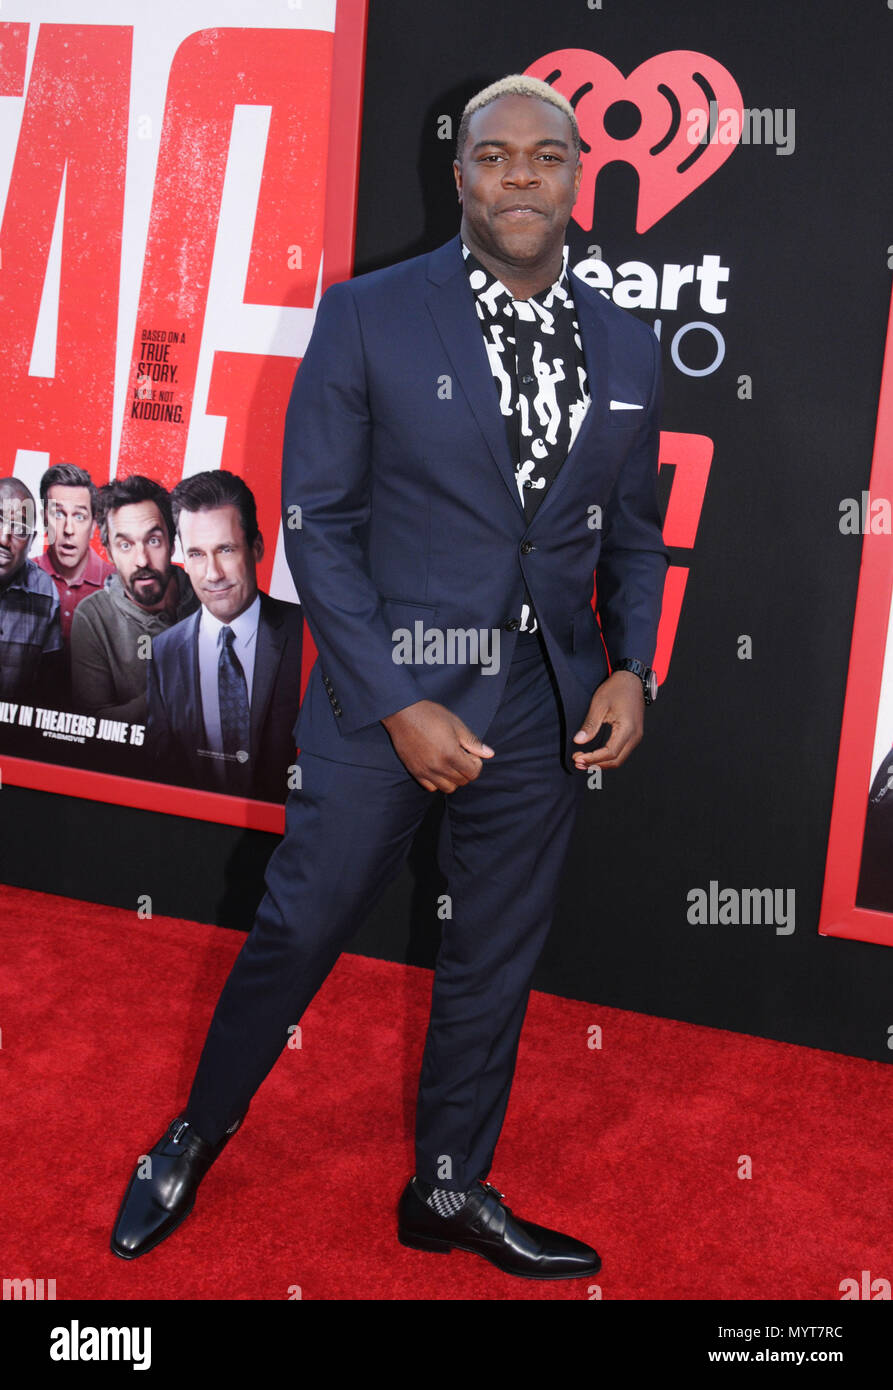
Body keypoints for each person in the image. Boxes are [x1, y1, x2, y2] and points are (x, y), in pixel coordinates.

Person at [111, 75, 668, 1280]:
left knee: (496, 951)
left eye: (546, 155)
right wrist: (397, 699)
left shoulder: (626, 340)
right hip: (388, 684)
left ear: (580, 176)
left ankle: (450, 1186)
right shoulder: (369, 314)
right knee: (300, 924)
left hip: (542, 695)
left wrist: (636, 667)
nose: (520, 174)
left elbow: (630, 529)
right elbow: (317, 521)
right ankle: (195, 1130)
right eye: (493, 155)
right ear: (457, 173)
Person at [145, 470, 303, 801]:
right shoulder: (162, 652)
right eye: (197, 554)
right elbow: (160, 773)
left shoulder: (305, 633)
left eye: (226, 550)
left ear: (256, 548)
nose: (212, 574)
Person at [70, 475, 197, 724]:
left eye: (153, 541)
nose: (142, 560)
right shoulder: (92, 617)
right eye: (125, 545)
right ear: (110, 554)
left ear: (172, 544)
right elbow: (93, 725)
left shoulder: (208, 596)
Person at [35, 463, 114, 646]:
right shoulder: (21, 578)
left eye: (79, 516)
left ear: (94, 524)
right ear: (44, 519)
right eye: (59, 514)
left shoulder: (117, 584)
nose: (69, 530)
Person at [0, 476, 63, 703]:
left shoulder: (45, 592)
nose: (4, 539)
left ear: (32, 542)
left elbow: (49, 688)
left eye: (19, 529)